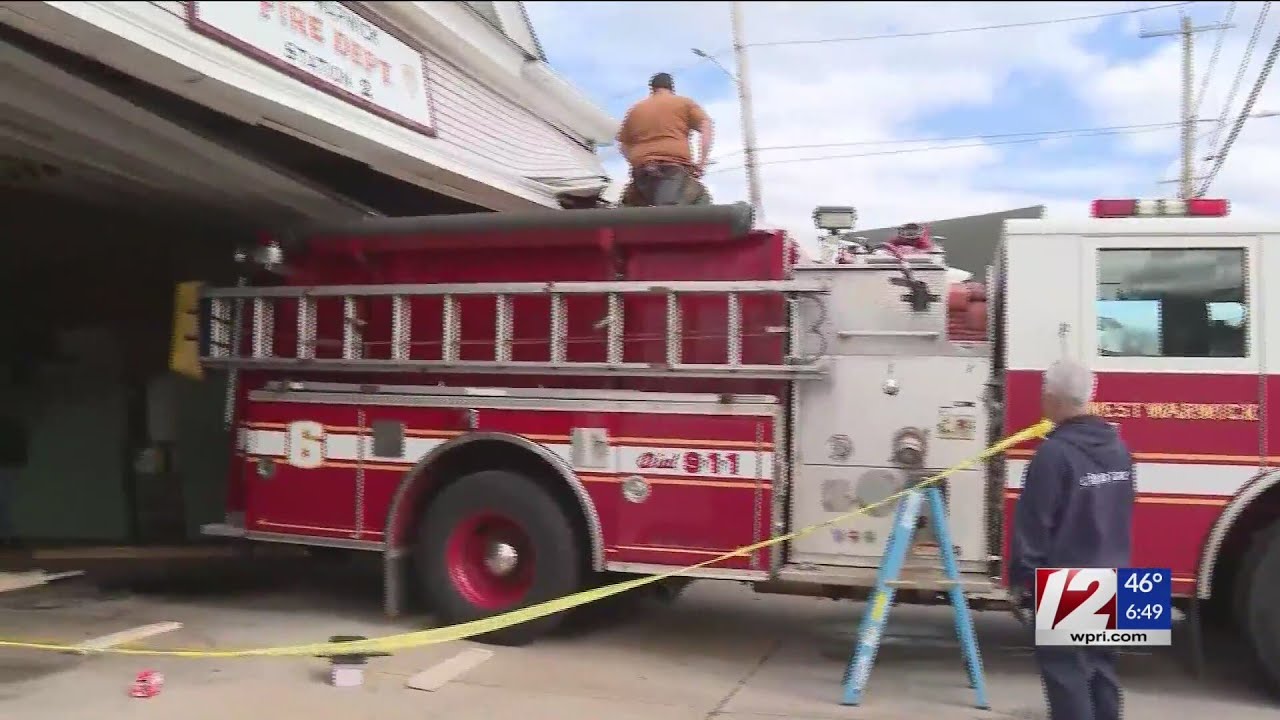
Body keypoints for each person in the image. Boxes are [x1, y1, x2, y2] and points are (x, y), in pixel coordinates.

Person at [1010, 358, 1135, 720]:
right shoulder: (1119, 447)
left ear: (1051, 398)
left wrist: (1025, 584)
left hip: (1066, 581)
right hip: (1118, 577)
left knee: (1069, 685)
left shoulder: (1053, 454)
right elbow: (1125, 509)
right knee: (1103, 676)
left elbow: (1034, 528)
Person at [616, 72, 714, 207]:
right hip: (672, 170)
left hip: (641, 174)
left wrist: (638, 161)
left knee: (631, 208)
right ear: (672, 88)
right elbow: (706, 126)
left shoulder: (635, 109)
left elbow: (623, 145)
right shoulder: (683, 103)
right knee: (701, 197)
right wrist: (702, 163)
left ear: (652, 89)